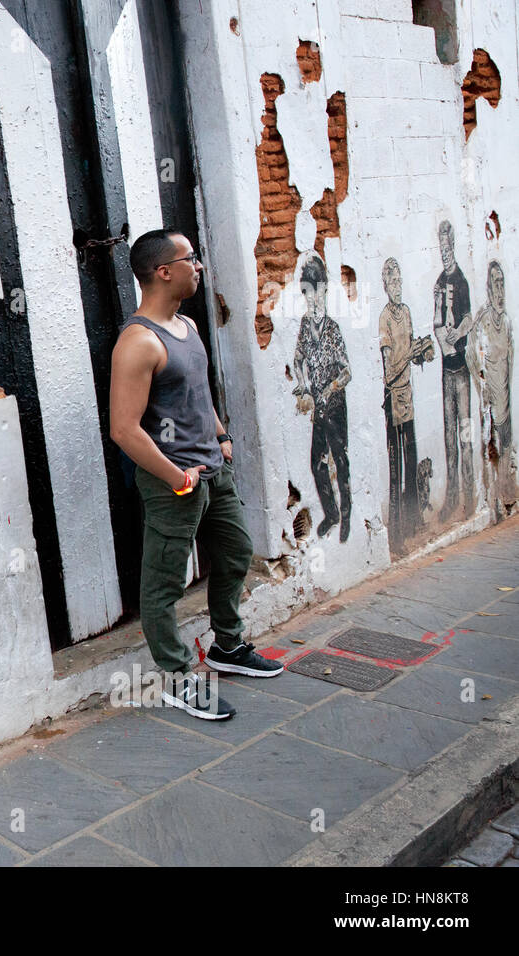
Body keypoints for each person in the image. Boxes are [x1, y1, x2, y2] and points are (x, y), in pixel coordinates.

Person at [109, 229, 281, 723]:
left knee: (236, 553)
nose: (199, 267)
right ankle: (179, 677)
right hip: (173, 483)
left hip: (213, 469)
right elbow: (123, 428)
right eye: (191, 259)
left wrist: (223, 439)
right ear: (164, 271)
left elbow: (198, 396)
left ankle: (227, 646)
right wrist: (176, 476)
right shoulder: (138, 343)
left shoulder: (186, 325)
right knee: (163, 583)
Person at [292, 254, 352, 543]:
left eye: (313, 290)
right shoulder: (305, 326)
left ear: (324, 290)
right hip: (318, 406)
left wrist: (329, 390)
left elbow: (347, 371)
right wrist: (303, 385)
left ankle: (348, 514)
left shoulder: (332, 329)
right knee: (317, 462)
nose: (309, 298)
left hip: (336, 405)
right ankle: (332, 513)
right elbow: (297, 359)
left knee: (340, 460)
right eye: (305, 292)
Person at [378, 257, 434, 555]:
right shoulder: (385, 318)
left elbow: (411, 353)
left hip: (409, 396)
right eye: (392, 281)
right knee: (397, 468)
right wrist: (407, 355)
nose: (397, 286)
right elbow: (389, 372)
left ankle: (413, 523)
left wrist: (422, 352)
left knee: (411, 463)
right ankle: (397, 532)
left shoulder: (407, 313)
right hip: (394, 400)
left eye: (399, 280)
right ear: (385, 286)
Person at [433, 220, 475, 521]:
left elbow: (469, 318)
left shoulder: (461, 282)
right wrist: (442, 334)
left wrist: (457, 334)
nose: (444, 252)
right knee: (449, 436)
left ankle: (470, 495)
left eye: (448, 247)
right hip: (446, 369)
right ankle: (452, 497)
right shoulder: (438, 283)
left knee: (465, 434)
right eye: (441, 248)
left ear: (454, 245)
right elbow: (436, 321)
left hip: (461, 370)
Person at [471, 260, 514, 513]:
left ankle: (507, 495)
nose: (500, 289)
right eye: (495, 283)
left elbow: (512, 361)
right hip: (490, 401)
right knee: (491, 451)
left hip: (505, 402)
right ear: (488, 288)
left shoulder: (507, 322)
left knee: (506, 449)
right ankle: (492, 503)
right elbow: (472, 354)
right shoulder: (484, 321)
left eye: (502, 283)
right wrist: (482, 385)